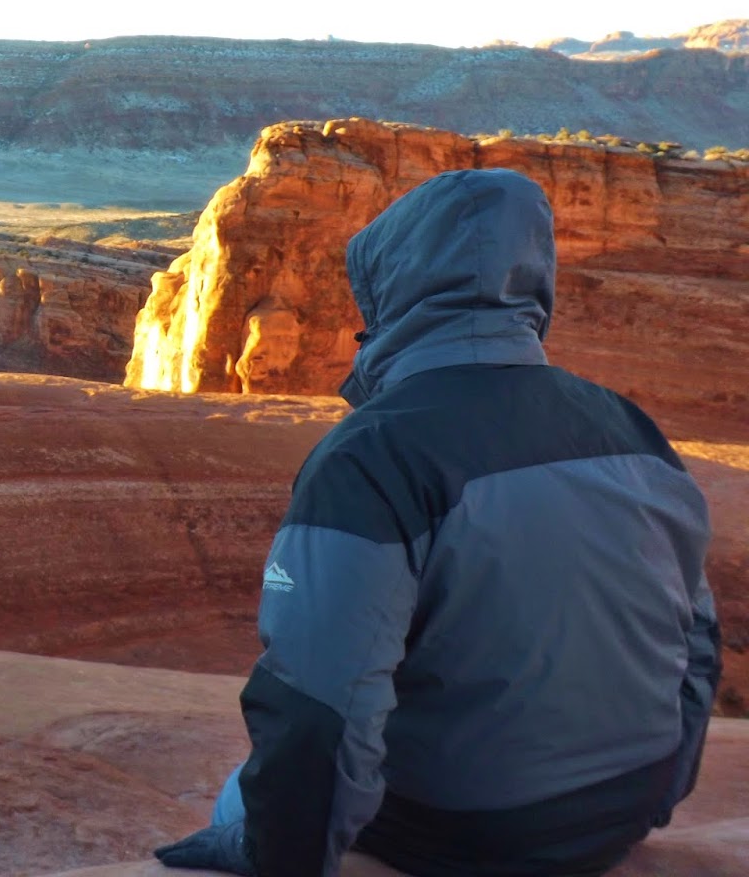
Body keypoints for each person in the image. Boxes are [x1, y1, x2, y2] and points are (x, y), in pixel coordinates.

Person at [155, 168, 721, 877]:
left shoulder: (373, 454)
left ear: (390, 291)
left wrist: (273, 854)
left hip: (469, 832)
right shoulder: (631, 428)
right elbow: (697, 643)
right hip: (623, 806)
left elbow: (320, 700)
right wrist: (651, 801)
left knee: (242, 795)